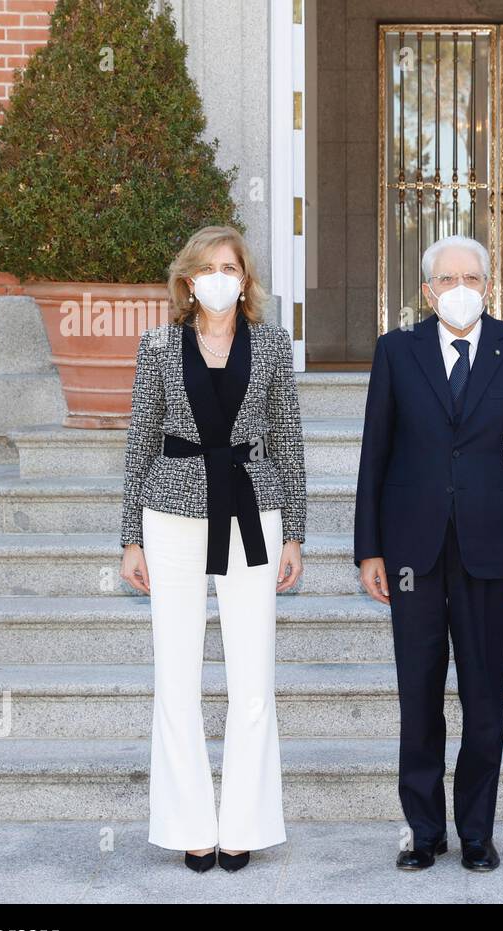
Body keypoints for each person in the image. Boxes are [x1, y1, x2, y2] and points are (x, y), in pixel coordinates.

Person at [354, 234, 503, 872]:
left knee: (483, 694)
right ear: (426, 290)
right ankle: (424, 831)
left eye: (471, 276)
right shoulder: (395, 352)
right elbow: (373, 456)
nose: (459, 288)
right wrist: (369, 551)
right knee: (419, 693)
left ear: (490, 286)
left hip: (492, 547)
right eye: (446, 279)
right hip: (411, 546)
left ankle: (476, 831)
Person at [119, 225, 306, 873]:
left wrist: (297, 533)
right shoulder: (158, 347)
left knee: (252, 676)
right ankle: (190, 825)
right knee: (177, 674)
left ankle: (243, 826)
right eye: (210, 266)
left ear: (245, 279)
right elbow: (140, 439)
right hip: (170, 512)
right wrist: (130, 537)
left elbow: (288, 440)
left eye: (232, 265)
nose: (222, 275)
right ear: (189, 279)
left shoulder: (274, 346)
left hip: (255, 509)